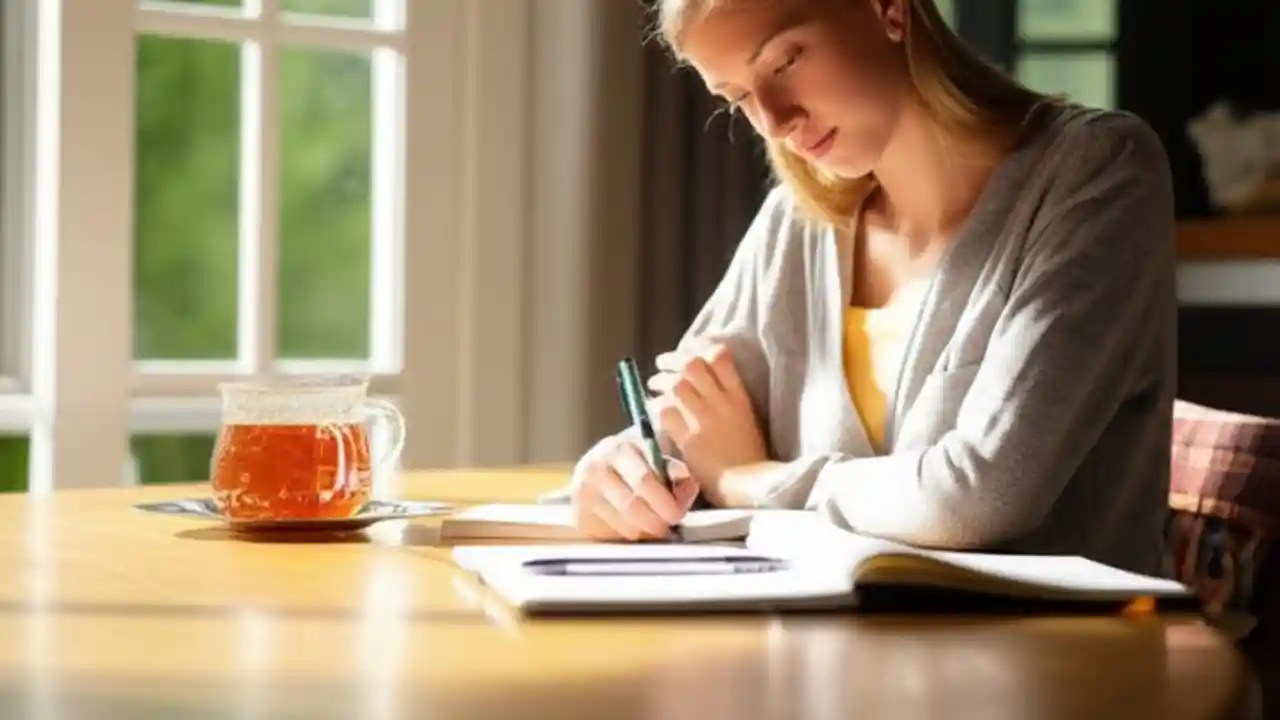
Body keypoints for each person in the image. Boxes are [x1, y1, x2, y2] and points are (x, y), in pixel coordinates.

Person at [569, 0, 1176, 575]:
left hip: (1058, 670)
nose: (776, 122)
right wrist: (622, 473)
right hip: (834, 665)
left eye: (785, 61)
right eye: (739, 99)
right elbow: (687, 426)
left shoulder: (1098, 171)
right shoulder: (796, 224)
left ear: (888, 8)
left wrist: (745, 481)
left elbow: (976, 498)